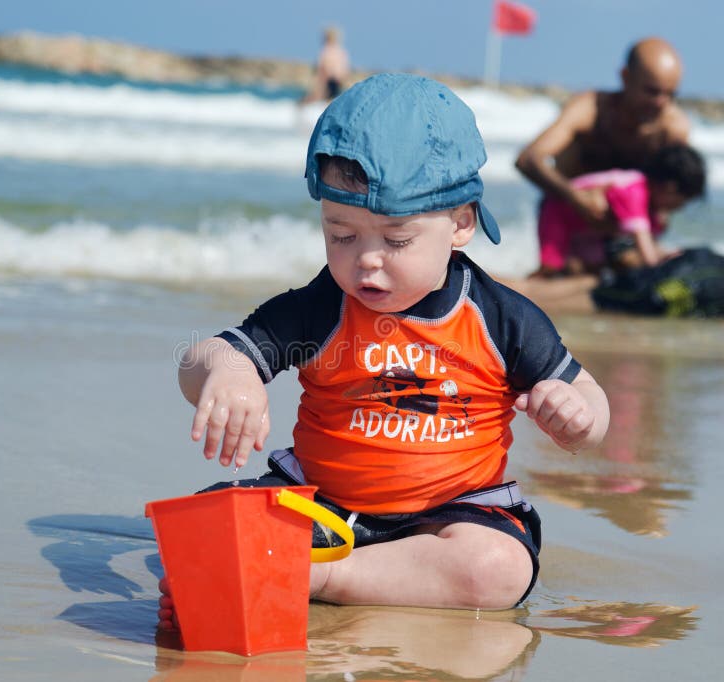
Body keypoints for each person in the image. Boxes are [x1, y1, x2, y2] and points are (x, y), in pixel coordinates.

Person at [161, 74, 609, 628]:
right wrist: (228, 375)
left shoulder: (501, 318)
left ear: (460, 223)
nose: (366, 260)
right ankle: (310, 567)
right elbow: (203, 357)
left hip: (448, 520)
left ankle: (322, 579)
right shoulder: (323, 308)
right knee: (208, 519)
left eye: (396, 240)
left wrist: (579, 419)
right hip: (321, 506)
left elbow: (587, 394)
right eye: (341, 235)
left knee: (497, 569)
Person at [515, 37, 690, 226]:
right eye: (652, 92)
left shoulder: (673, 128)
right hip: (568, 216)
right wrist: (575, 197)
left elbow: (685, 189)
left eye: (670, 94)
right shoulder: (590, 110)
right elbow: (528, 159)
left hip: (626, 224)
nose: (661, 103)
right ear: (625, 77)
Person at [534, 143, 706, 276]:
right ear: (669, 188)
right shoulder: (634, 192)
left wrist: (669, 255)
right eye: (681, 202)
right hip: (557, 212)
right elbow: (649, 256)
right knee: (550, 268)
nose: (680, 208)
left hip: (587, 231)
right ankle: (527, 292)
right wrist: (667, 267)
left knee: (589, 270)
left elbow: (650, 244)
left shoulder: (649, 203)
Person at [304, 26, 350, 102]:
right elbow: (344, 70)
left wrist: (319, 83)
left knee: (325, 99)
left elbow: (322, 68)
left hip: (330, 81)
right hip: (336, 81)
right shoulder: (340, 51)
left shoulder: (327, 51)